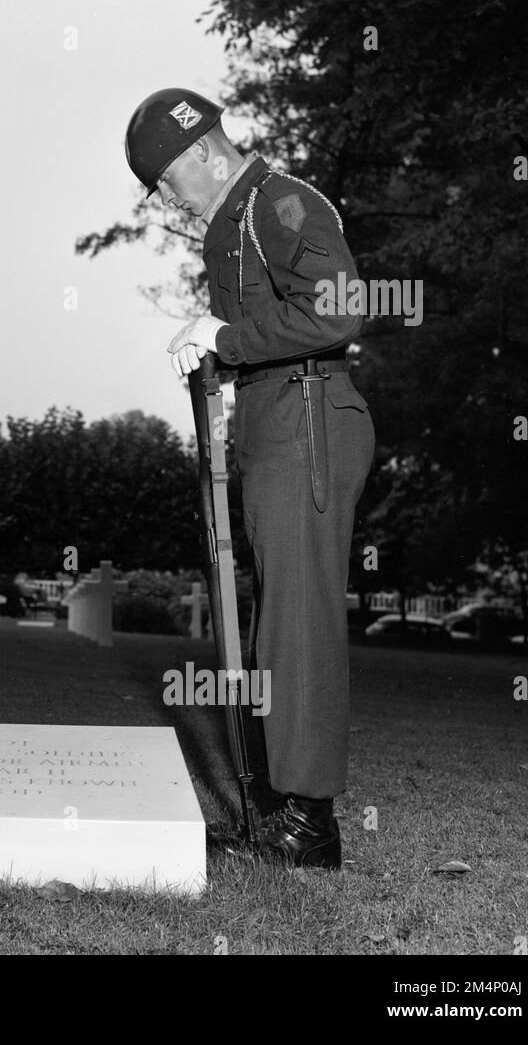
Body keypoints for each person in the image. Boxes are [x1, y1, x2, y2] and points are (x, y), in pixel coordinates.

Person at [124, 88, 375, 868]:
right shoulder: (229, 228)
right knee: (274, 626)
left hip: (310, 420)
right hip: (276, 421)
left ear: (203, 150)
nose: (167, 195)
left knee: (297, 623)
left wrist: (225, 336)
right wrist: (217, 356)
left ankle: (309, 826)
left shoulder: (282, 205)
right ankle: (275, 808)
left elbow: (340, 309)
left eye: (168, 177)